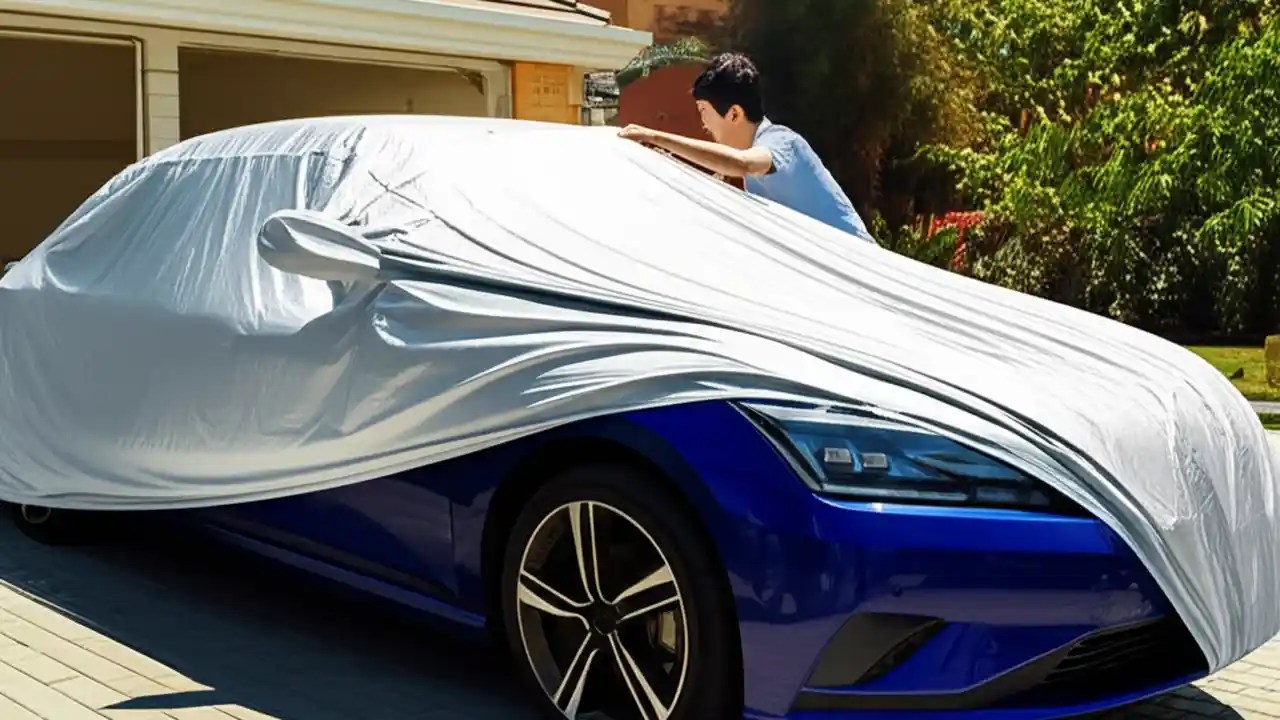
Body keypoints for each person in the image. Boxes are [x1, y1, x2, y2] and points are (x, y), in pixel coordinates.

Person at [618, 52, 876, 244]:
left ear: (733, 114)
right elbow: (712, 179)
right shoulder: (754, 163)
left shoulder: (780, 142)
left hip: (865, 270)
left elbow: (741, 163)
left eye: (704, 111)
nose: (703, 123)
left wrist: (655, 136)